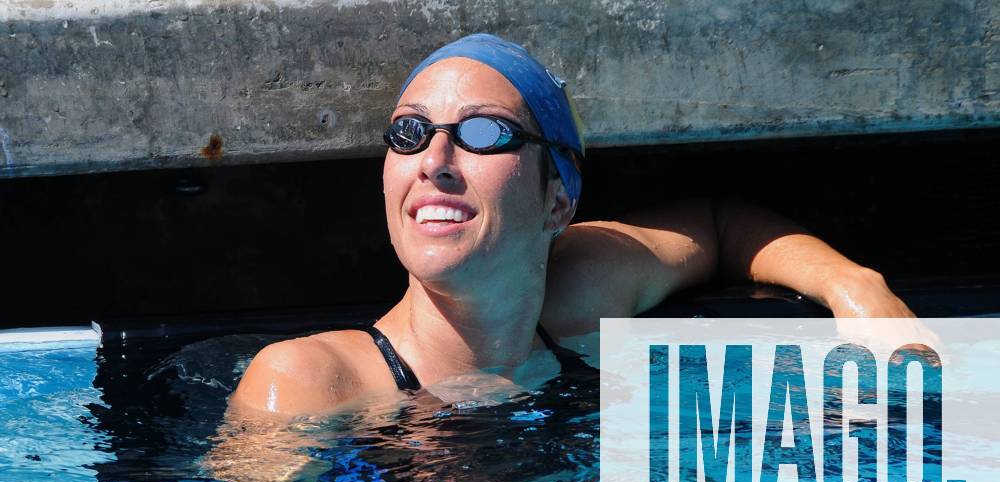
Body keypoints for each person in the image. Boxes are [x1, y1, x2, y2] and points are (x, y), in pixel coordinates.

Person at [229, 32, 916, 417]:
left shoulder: (584, 289)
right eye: (409, 133)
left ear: (558, 203)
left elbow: (722, 225)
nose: (434, 160)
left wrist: (856, 289)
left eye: (483, 134)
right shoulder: (308, 380)